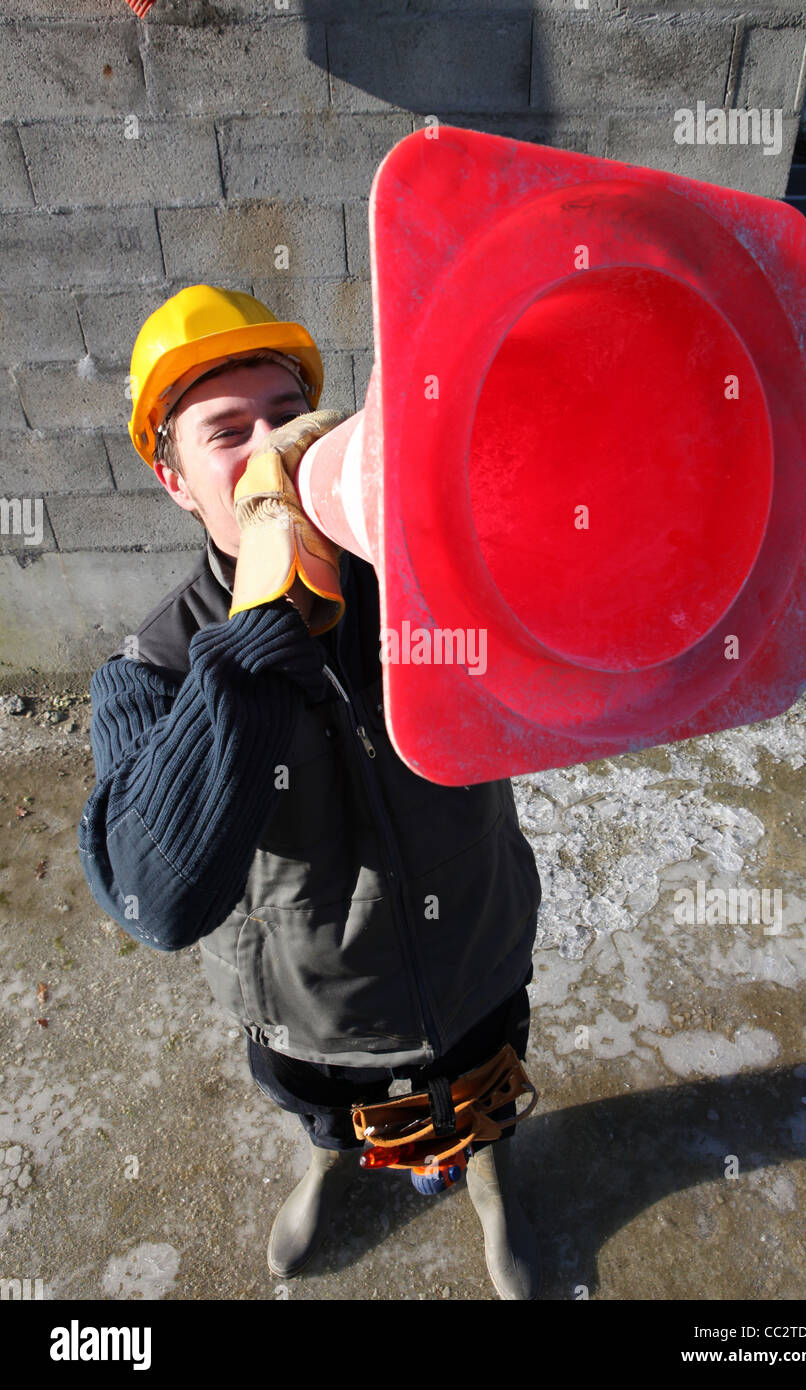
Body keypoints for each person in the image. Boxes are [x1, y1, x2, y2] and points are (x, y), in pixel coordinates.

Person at [78, 284, 543, 1299]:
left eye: (290, 418)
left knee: (486, 1080)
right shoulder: (150, 667)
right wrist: (253, 634)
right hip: (311, 1010)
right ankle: (329, 1160)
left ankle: (489, 1169)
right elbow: (155, 895)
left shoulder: (424, 569)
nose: (271, 451)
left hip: (472, 939)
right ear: (173, 480)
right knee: (327, 1110)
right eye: (228, 433)